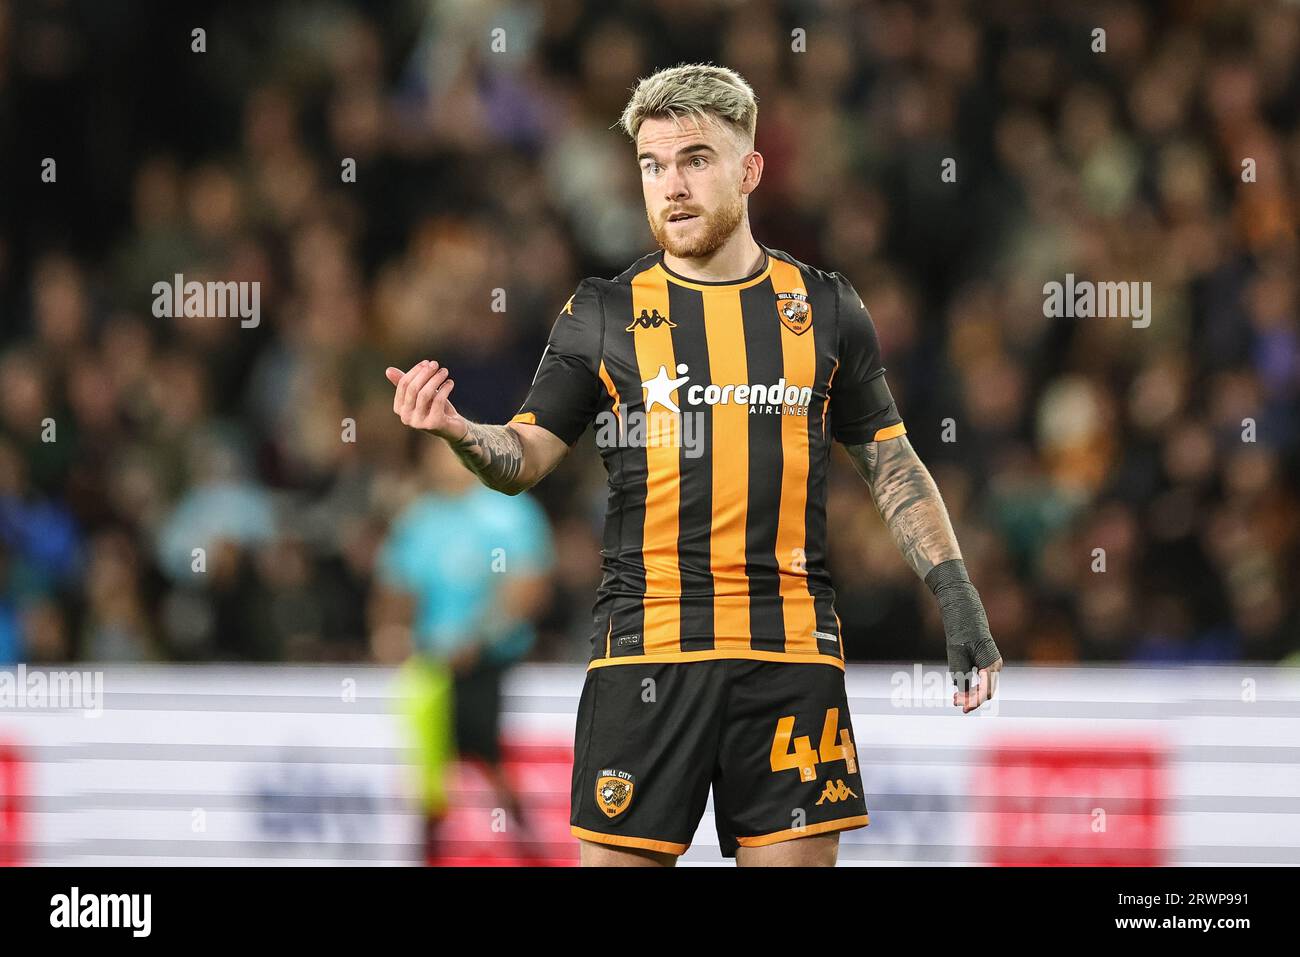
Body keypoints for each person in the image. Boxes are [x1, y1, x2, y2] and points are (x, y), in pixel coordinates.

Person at [384, 63, 1002, 867]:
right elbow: (526, 453)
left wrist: (957, 596)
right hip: (645, 653)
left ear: (749, 169)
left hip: (790, 658)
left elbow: (892, 463)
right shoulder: (601, 312)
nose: (670, 185)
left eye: (695, 160)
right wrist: (464, 433)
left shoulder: (826, 307)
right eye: (652, 165)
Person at [375, 438, 553, 863]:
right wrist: (390, 632)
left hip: (492, 663)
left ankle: (535, 852)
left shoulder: (507, 512)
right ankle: (429, 855)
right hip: (433, 665)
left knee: (489, 759)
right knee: (430, 768)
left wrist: (481, 637)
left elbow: (529, 587)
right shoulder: (420, 520)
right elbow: (396, 588)